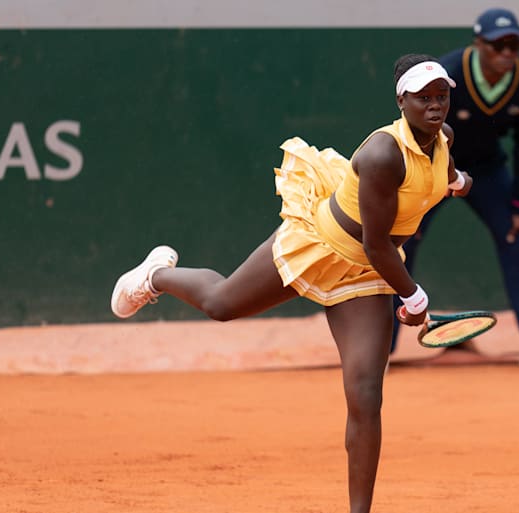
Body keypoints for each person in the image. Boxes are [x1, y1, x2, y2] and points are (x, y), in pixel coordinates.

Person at [109, 54, 472, 513]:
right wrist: (413, 296)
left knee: (365, 394)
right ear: (402, 101)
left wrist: (457, 181)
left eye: (441, 96)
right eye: (423, 98)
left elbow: (441, 170)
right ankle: (156, 275)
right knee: (221, 305)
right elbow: (378, 244)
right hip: (324, 243)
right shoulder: (383, 155)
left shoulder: (443, 139)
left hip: (364, 277)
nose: (435, 106)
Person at [392, 8, 519, 373]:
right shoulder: (448, 74)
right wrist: (433, 178)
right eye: (497, 44)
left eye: (514, 44)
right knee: (398, 245)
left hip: (488, 170)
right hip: (431, 166)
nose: (507, 52)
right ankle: (380, 347)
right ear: (478, 44)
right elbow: (414, 129)